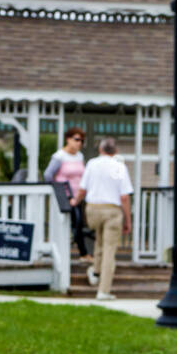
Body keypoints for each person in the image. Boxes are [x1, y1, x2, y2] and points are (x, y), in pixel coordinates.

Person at [72, 138, 132, 300]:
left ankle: (95, 271)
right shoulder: (119, 167)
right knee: (109, 250)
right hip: (112, 211)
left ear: (100, 149)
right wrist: (128, 220)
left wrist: (74, 202)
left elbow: (82, 189)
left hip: (93, 210)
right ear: (116, 152)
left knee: (100, 240)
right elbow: (124, 197)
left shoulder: (92, 164)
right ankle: (103, 290)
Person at [44, 128, 88, 256]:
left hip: (78, 196)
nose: (79, 143)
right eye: (76, 139)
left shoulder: (80, 156)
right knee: (66, 223)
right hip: (64, 196)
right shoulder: (59, 156)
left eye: (82, 141)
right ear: (68, 139)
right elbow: (48, 174)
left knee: (78, 223)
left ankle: (82, 252)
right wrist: (58, 190)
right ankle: (64, 251)